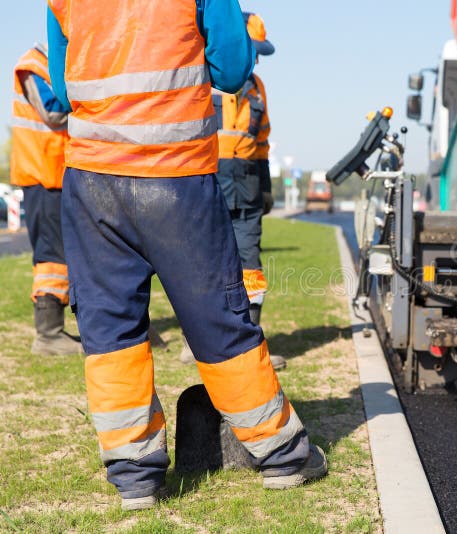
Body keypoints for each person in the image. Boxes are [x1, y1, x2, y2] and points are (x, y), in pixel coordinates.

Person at [47, 0, 327, 511]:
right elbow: (233, 69)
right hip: (174, 176)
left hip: (91, 184)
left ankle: (135, 478)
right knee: (217, 319)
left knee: (110, 331)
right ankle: (282, 454)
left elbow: (63, 91)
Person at [180, 12, 286, 371]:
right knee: (202, 263)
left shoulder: (257, 89)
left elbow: (262, 142)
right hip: (206, 182)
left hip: (247, 189)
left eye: (258, 53)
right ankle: (193, 342)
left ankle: (249, 342)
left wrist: (267, 187)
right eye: (250, 50)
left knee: (249, 264)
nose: (255, 59)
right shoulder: (202, 81)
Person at [10, 43, 82, 356]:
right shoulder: (34, 64)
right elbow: (52, 111)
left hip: (60, 172)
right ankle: (48, 335)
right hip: (42, 173)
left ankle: (60, 330)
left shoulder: (58, 65)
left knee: (67, 252)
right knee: (52, 254)